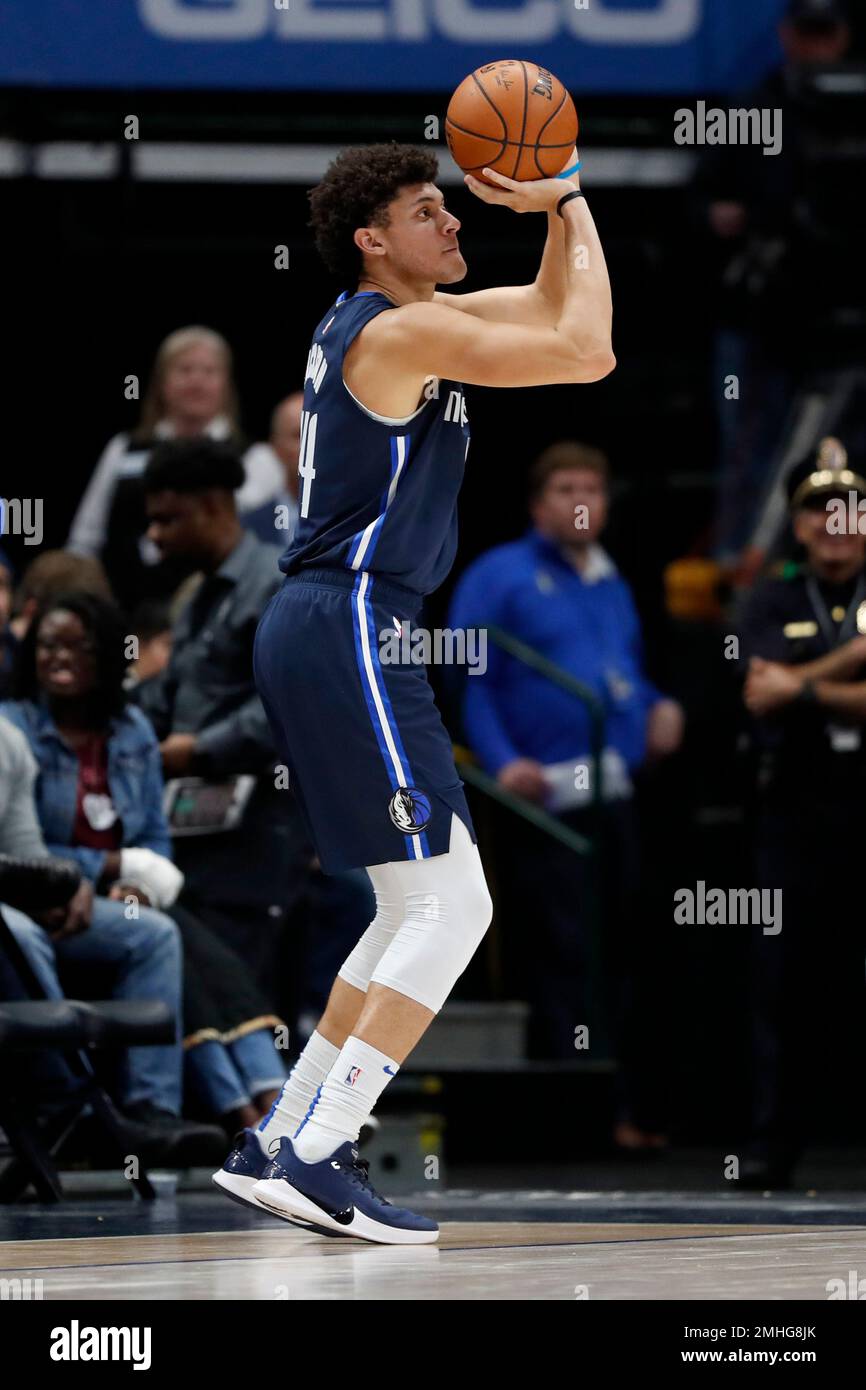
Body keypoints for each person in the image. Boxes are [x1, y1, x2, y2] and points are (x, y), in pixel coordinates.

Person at [212, 139, 614, 1244]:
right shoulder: (399, 331)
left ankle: (280, 1133)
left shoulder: (391, 321)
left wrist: (549, 214)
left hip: (338, 622)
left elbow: (547, 298)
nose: (450, 223)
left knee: (408, 904)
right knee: (456, 905)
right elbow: (588, 351)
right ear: (370, 241)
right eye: (429, 211)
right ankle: (320, 1146)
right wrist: (567, 191)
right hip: (348, 616)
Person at [448, 441, 682, 1146]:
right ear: (537, 502)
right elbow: (470, 676)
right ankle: (580, 1113)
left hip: (615, 788)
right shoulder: (500, 574)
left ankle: (623, 1106)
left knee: (623, 948)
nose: (582, 501)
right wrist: (500, 758)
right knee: (563, 950)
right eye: (565, 488)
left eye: (594, 487)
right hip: (543, 798)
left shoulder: (609, 581)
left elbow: (622, 673)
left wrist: (657, 705)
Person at [1, 591, 289, 1137]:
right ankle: (252, 1101)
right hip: (42, 899)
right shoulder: (12, 729)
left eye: (76, 646)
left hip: (102, 898)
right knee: (176, 933)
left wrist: (137, 886)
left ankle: (156, 1111)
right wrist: (101, 871)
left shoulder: (131, 730)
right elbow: (25, 854)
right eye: (46, 646)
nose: (59, 658)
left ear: (107, 655)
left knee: (157, 930)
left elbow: (156, 840)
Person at [0, 711, 224, 1164]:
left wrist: (66, 885)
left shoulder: (8, 741)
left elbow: (27, 852)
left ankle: (151, 1108)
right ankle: (69, 1107)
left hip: (11, 893)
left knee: (152, 933)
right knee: (20, 934)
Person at [736, 437, 866, 1187]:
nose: (836, 523)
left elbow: (784, 688)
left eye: (849, 509)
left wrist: (803, 686)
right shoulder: (773, 596)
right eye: (820, 511)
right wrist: (846, 664)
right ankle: (770, 1144)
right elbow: (758, 693)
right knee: (781, 983)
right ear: (800, 524)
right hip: (796, 811)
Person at [136, 439, 305, 981]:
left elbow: (290, 703)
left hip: (258, 833)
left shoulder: (274, 587)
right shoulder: (199, 597)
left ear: (212, 506)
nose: (155, 536)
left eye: (168, 520)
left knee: (244, 993)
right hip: (196, 833)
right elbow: (172, 694)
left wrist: (201, 748)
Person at [66, 326, 283, 610]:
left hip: (221, 616)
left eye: (209, 371)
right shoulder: (124, 449)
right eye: (184, 370)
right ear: (161, 383)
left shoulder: (256, 458)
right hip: (126, 616)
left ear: (226, 384)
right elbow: (84, 544)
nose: (196, 381)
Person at [243, 393, 303, 550]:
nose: (311, 444)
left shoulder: (360, 524)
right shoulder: (248, 528)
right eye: (298, 435)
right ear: (276, 448)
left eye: (318, 432)